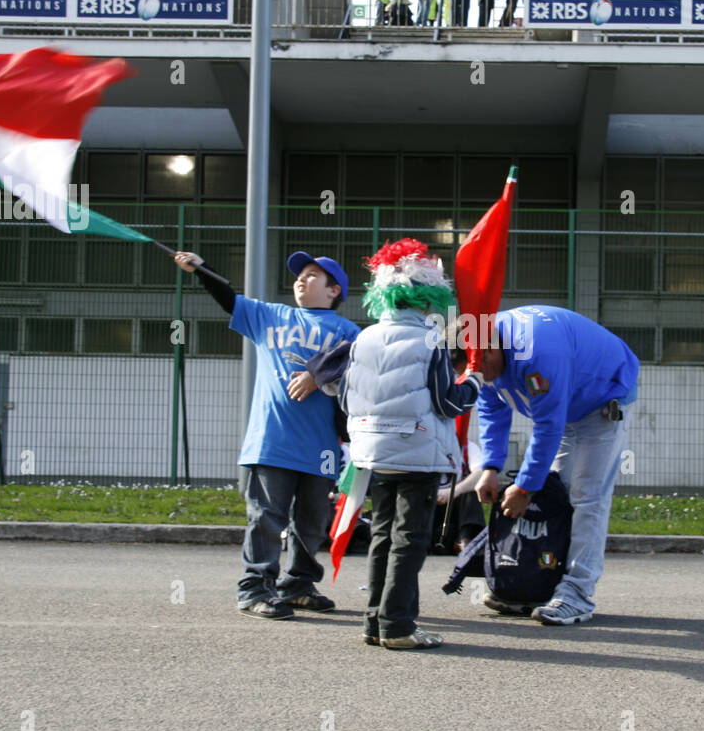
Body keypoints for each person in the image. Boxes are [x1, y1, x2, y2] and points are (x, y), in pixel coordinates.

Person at [173, 249, 361, 620]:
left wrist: (316, 375)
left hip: (321, 444)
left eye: (312, 275)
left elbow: (360, 363)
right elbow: (229, 299)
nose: (301, 280)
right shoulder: (271, 316)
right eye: (299, 275)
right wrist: (202, 268)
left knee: (312, 521)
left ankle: (298, 585)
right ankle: (255, 588)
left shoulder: (347, 331)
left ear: (333, 290)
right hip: (272, 439)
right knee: (266, 517)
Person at [340, 239, 482, 649]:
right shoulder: (432, 339)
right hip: (416, 454)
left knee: (382, 535)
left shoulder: (363, 338)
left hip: (373, 452)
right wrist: (473, 381)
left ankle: (374, 623)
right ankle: (399, 625)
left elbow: (347, 399)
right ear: (428, 296)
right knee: (409, 540)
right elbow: (446, 402)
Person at [474, 306, 639, 625]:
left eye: (481, 366)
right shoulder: (479, 350)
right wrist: (490, 468)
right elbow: (492, 409)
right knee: (557, 497)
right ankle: (541, 583)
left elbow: (548, 426)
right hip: (567, 402)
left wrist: (524, 487)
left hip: (602, 400)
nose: (479, 376)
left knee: (587, 497)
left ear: (492, 349)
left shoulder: (539, 355)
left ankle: (576, 594)